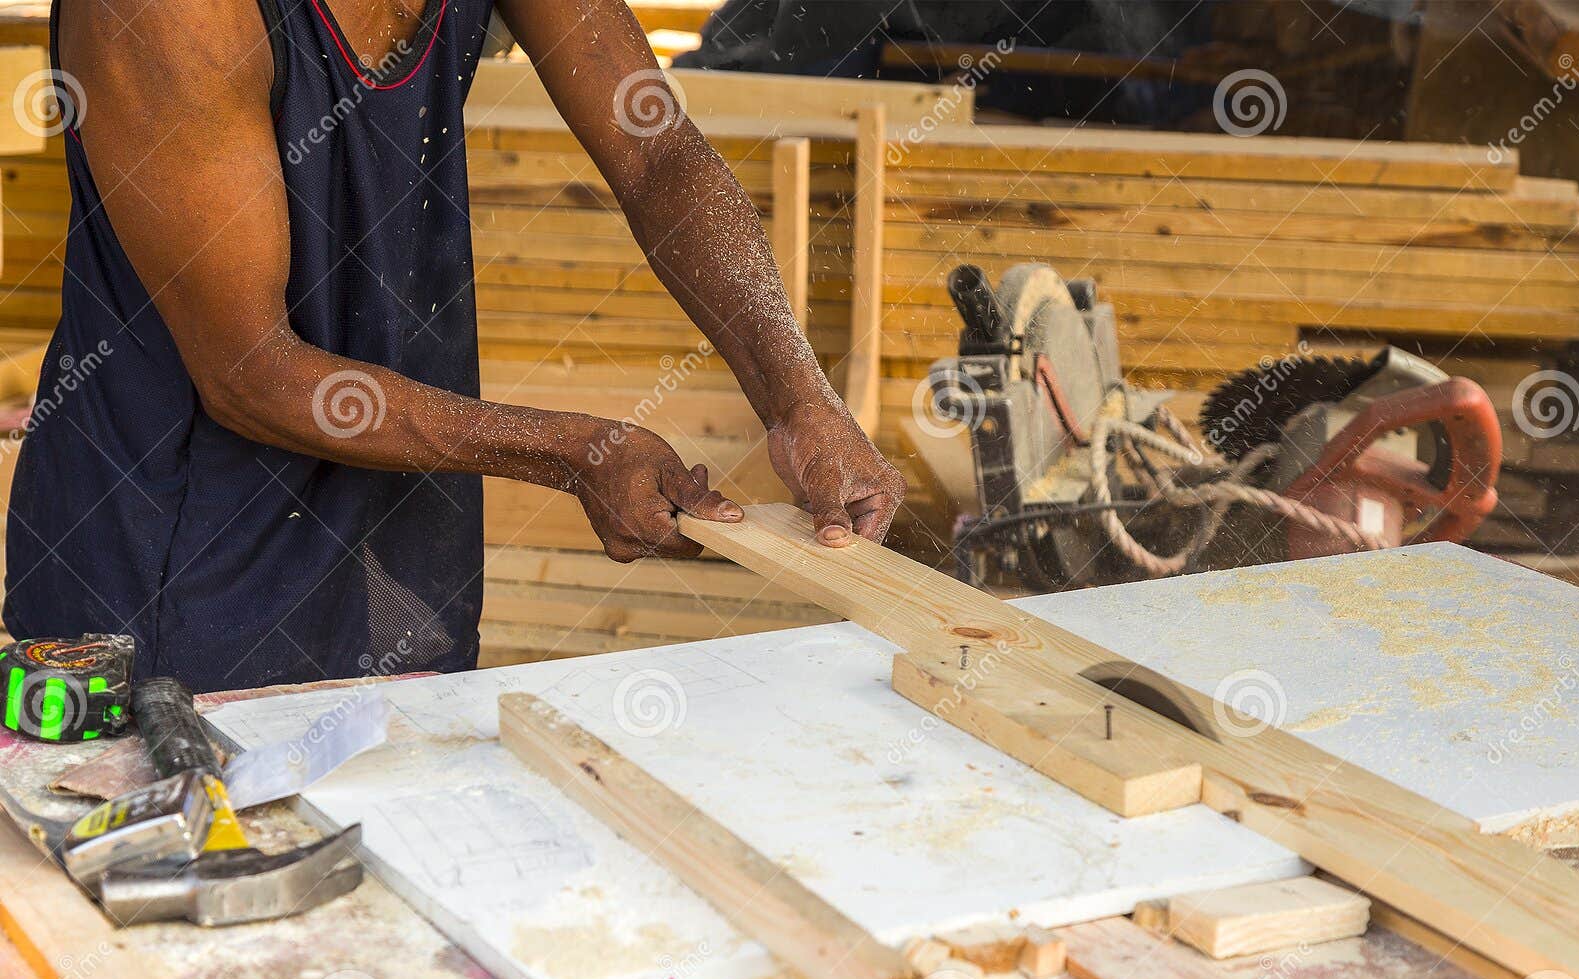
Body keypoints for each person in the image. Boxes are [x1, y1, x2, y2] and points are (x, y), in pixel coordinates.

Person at [3, 0, 904, 691]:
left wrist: (802, 403)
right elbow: (251, 372)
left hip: (392, 525)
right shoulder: (169, 15)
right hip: (166, 563)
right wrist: (574, 452)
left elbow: (657, 156)